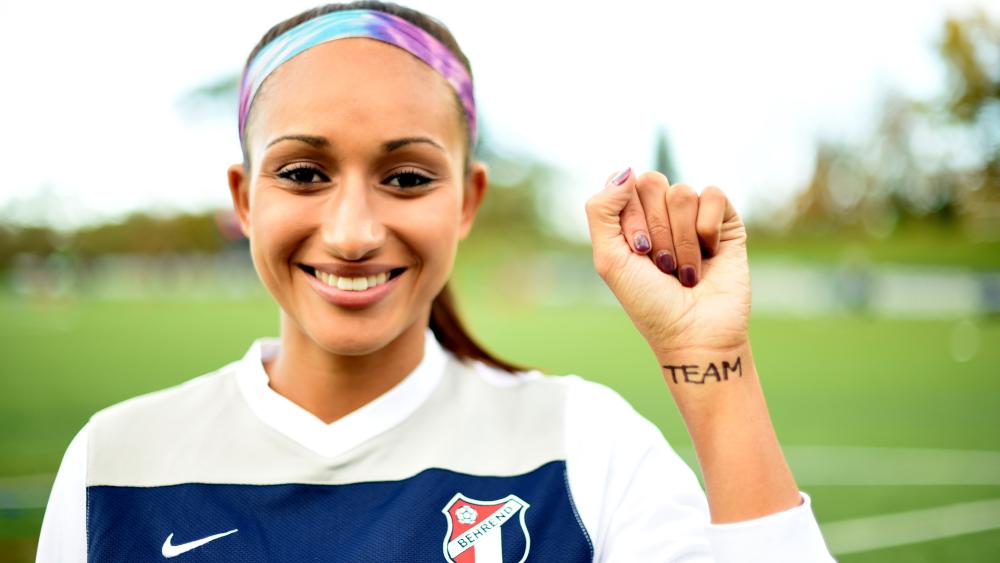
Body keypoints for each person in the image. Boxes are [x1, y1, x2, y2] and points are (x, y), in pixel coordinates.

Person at [37, 2, 835, 561]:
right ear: (246, 199)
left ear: (468, 200)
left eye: (409, 176)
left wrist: (714, 367)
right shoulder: (115, 464)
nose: (351, 232)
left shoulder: (587, 450)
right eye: (305, 172)